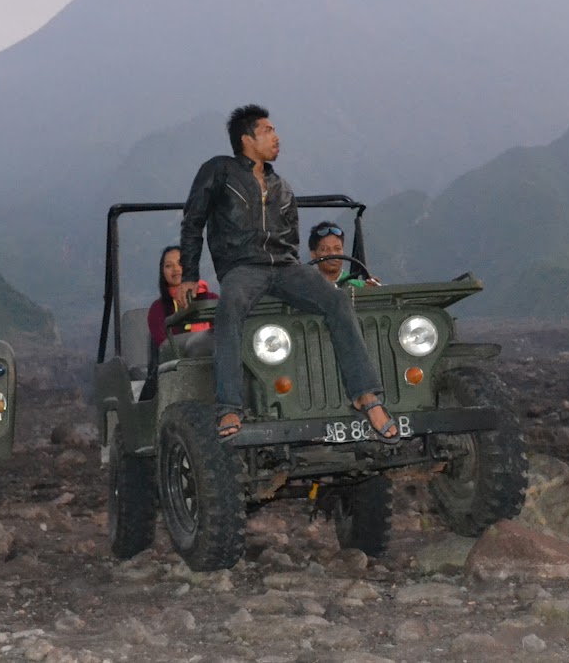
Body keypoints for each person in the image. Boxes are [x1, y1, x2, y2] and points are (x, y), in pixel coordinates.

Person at [178, 105, 398, 442]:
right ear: (246, 139)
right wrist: (189, 274)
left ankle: (366, 395)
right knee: (230, 308)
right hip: (242, 266)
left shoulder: (282, 187)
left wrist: (294, 271)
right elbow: (193, 221)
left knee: (337, 301)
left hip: (285, 267)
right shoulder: (219, 170)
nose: (276, 137)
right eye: (267, 130)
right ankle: (230, 406)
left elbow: (291, 240)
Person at [140, 246, 216, 402]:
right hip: (173, 374)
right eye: (169, 265)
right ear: (163, 273)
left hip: (214, 367)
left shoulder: (212, 300)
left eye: (180, 263)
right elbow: (165, 347)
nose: (176, 269)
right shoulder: (158, 309)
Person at [308, 220, 380, 288]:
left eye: (338, 248)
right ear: (313, 254)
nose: (333, 254)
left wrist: (376, 292)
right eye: (325, 249)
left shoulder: (362, 287)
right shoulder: (304, 288)